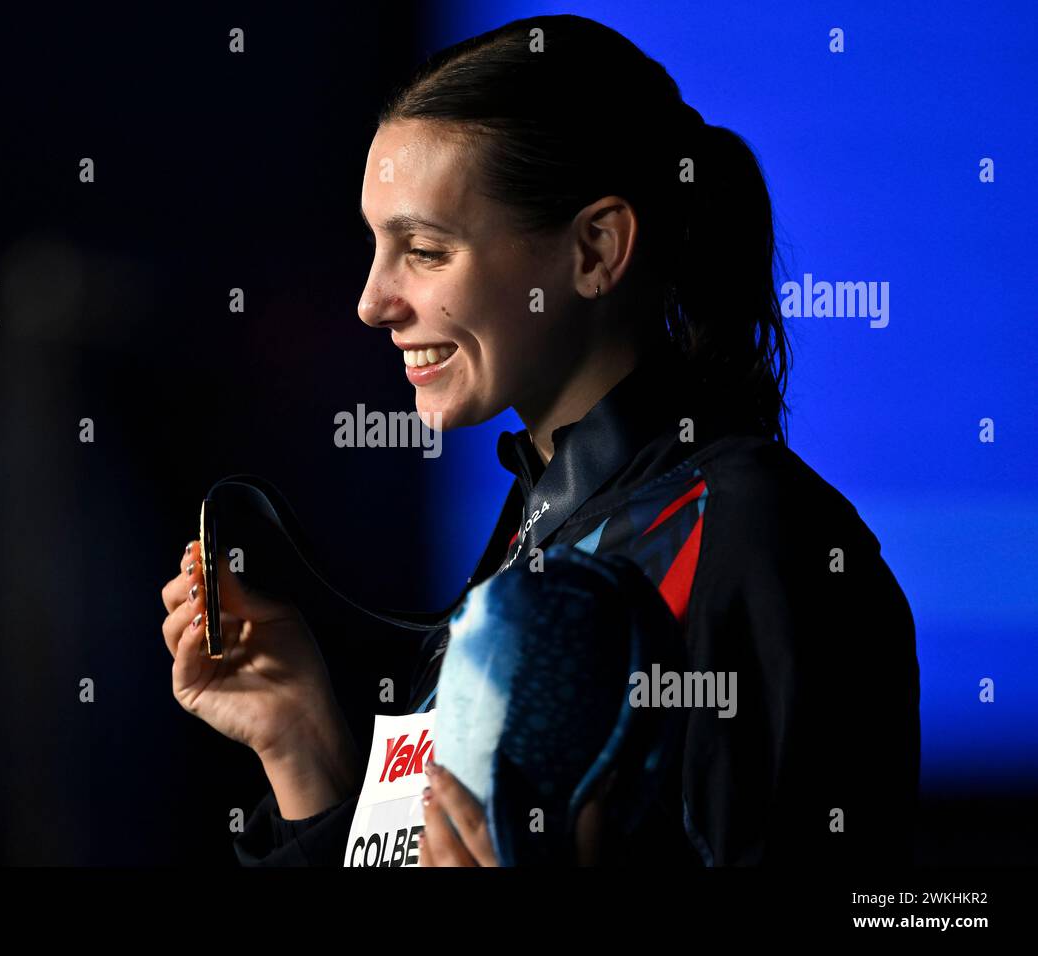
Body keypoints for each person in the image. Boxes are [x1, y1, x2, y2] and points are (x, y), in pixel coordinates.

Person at [159, 14, 920, 866]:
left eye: (425, 249)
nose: (372, 301)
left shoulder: (749, 530)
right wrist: (301, 748)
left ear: (596, 248)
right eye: (377, 247)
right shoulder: (543, 522)